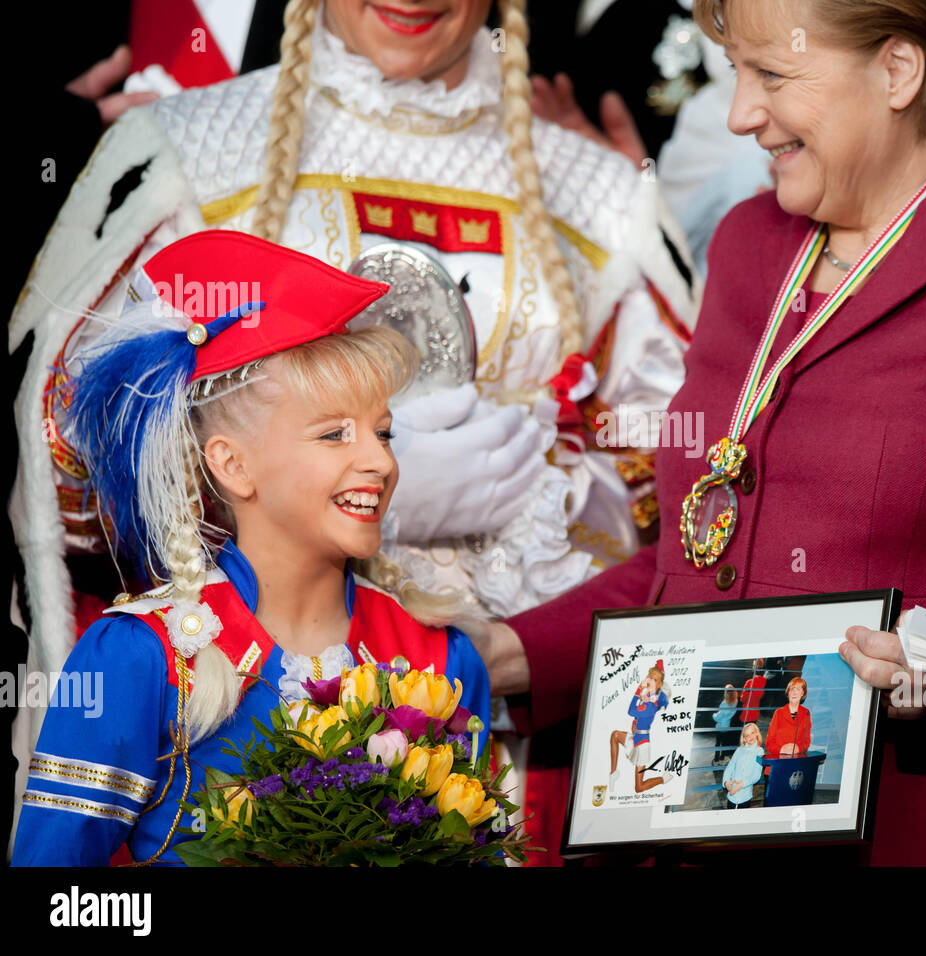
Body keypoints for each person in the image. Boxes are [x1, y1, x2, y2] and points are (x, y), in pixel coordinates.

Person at [473, 0, 926, 865]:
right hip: (688, 829)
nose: (740, 113)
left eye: (772, 76)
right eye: (736, 72)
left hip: (925, 828)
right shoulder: (745, 243)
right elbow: (695, 568)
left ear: (898, 72)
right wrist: (491, 658)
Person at [10, 0, 696, 853]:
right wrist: (276, 486)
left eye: (383, 439)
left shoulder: (597, 195)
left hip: (519, 736)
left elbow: (703, 499)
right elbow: (63, 460)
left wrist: (549, 483)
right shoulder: (186, 147)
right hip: (224, 693)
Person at [11, 231, 490, 865]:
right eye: (334, 435)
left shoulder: (442, 661)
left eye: (383, 432)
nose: (379, 460)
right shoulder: (137, 657)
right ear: (233, 466)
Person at [609, 661, 675, 793]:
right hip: (635, 737)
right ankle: (613, 773)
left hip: (642, 744)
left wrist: (638, 689)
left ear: (659, 684)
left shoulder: (651, 705)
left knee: (638, 788)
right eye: (649, 677)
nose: (650, 681)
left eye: (654, 679)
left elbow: (631, 710)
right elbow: (636, 714)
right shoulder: (648, 697)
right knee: (615, 735)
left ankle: (662, 779)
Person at [764, 677, 811, 761]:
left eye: (798, 689)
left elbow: (806, 741)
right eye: (791, 689)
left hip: (796, 760)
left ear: (802, 693)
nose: (794, 693)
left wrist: (798, 748)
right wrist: (781, 750)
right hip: (779, 759)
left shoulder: (806, 713)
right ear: (788, 693)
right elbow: (769, 741)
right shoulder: (778, 713)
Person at [721, 722, 764, 809]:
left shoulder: (759, 751)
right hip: (732, 794)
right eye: (747, 735)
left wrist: (741, 785)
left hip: (745, 794)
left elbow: (756, 775)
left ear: (757, 734)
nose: (750, 737)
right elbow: (730, 767)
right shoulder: (739, 750)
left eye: (752, 733)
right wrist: (726, 782)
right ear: (744, 739)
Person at [738, 659, 766, 726]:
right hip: (755, 713)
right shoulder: (763, 681)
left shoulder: (749, 682)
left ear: (754, 667)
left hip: (746, 713)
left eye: (753, 665)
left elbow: (743, 699)